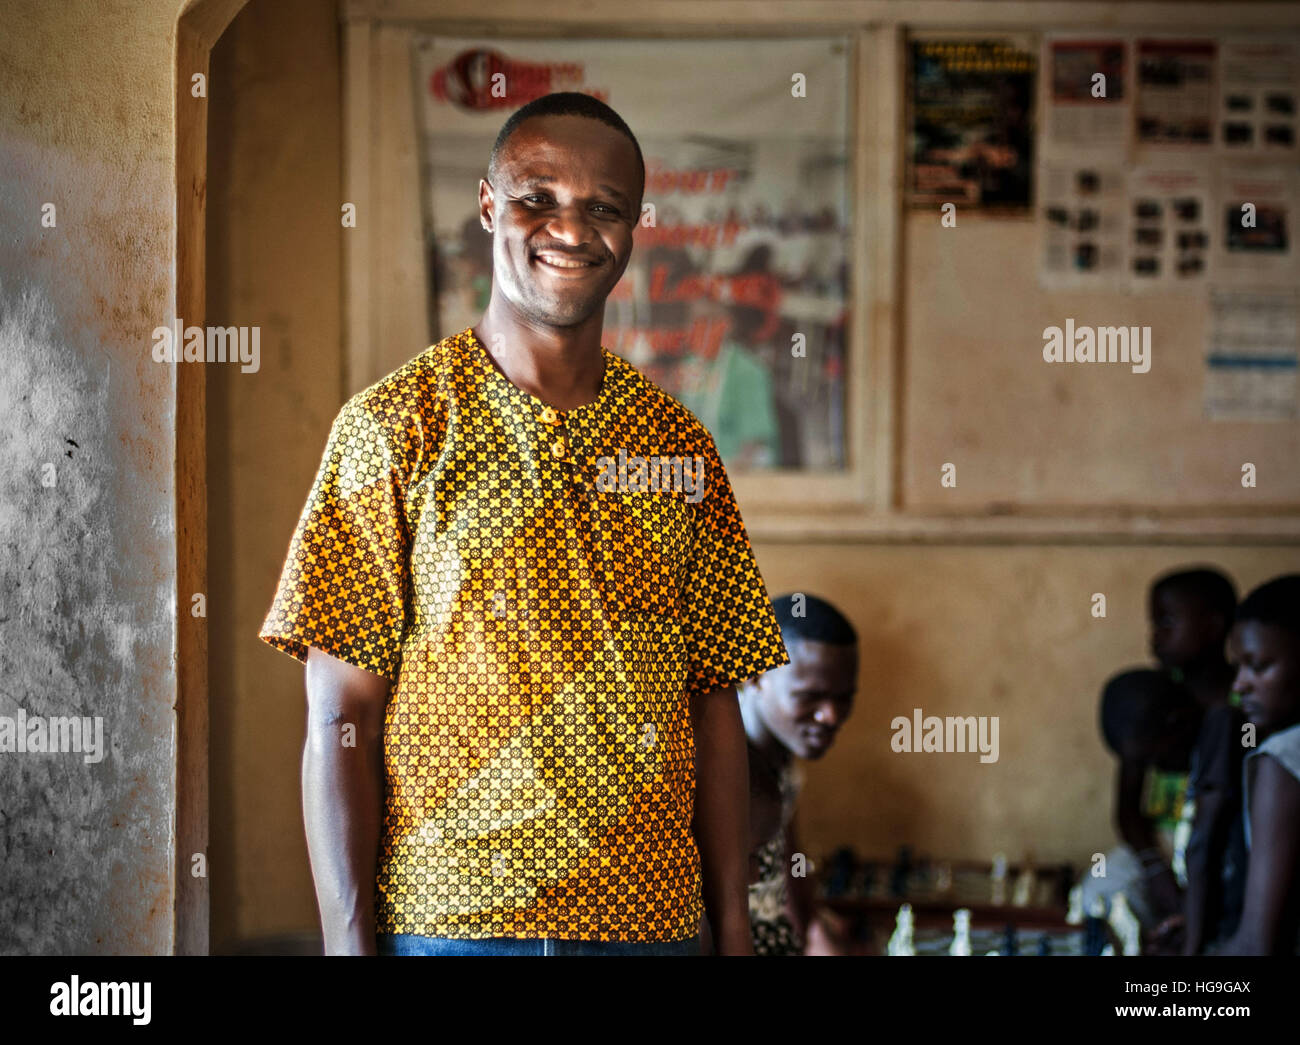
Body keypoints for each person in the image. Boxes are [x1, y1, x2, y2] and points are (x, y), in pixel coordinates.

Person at [259, 92, 788, 956]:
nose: (570, 229)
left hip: (649, 921)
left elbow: (713, 700)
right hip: (451, 923)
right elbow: (339, 715)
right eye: (537, 197)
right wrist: (349, 944)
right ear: (487, 206)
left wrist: (732, 920)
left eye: (604, 206)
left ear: (633, 227)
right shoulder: (394, 428)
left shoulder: (678, 447)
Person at [737, 594, 858, 955]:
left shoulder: (780, 758)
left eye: (844, 698)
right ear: (756, 676)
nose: (831, 717)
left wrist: (812, 922)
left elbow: (793, 860)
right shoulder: (718, 774)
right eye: (810, 697)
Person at [1221, 575, 1300, 955]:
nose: (1240, 686)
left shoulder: (1284, 758)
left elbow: (1258, 946)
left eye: (1258, 666)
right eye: (1238, 667)